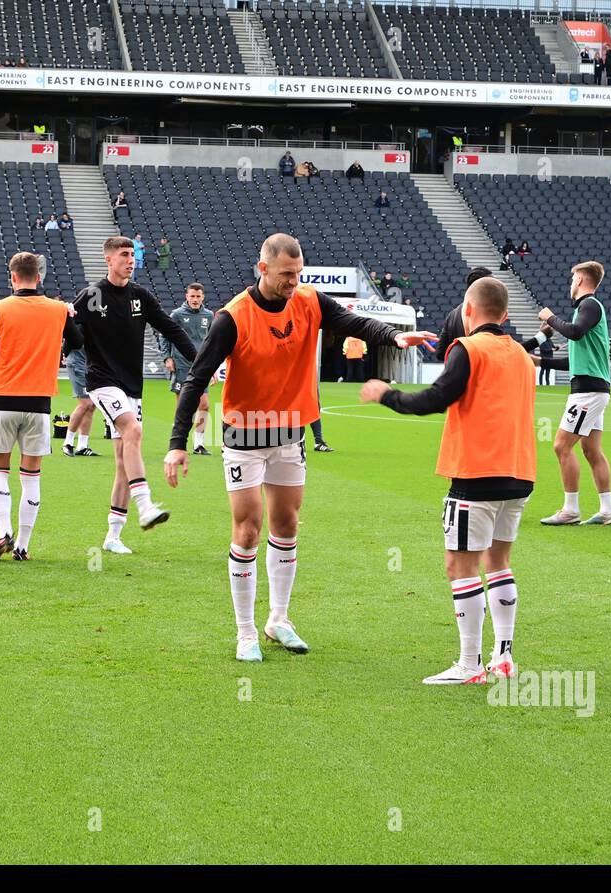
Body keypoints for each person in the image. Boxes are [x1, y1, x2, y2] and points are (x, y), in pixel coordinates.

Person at [163, 233, 437, 662]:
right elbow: (197, 378)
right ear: (263, 269)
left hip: (290, 435)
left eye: (299, 273)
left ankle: (278, 619)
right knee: (248, 528)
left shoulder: (309, 299)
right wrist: (177, 444)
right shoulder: (232, 317)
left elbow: (353, 321)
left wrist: (393, 337)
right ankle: (245, 631)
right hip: (245, 436)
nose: (294, 281)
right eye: (287, 274)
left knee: (287, 524)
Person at [360, 277, 535, 685]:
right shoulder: (523, 356)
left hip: (476, 473)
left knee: (460, 565)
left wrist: (388, 395)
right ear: (506, 314)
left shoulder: (468, 349)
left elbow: (436, 398)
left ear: (468, 311)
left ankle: (470, 664)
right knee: (499, 562)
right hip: (520, 473)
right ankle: (503, 656)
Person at [73, 236, 197, 553]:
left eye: (133, 255)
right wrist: (65, 321)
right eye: (124, 254)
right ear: (109, 259)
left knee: (122, 461)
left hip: (132, 386)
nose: (131, 260)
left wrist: (198, 359)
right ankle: (145, 506)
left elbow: (170, 328)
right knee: (134, 429)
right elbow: (71, 340)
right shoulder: (91, 296)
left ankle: (113, 537)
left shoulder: (141, 296)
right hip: (101, 380)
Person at [0, 252, 82, 560]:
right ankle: (24, 546)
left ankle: (4, 532)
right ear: (38, 277)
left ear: (13, 277)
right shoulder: (57, 310)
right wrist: (66, 323)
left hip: (3, 401)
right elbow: (79, 342)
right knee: (31, 476)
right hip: (39, 403)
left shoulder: (0, 309)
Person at [534, 261, 611, 527]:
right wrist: (540, 362)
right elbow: (574, 362)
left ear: (580, 279)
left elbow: (575, 332)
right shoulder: (589, 310)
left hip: (588, 392)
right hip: (594, 388)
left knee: (561, 446)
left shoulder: (589, 305)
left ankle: (570, 510)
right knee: (592, 450)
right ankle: (607, 511)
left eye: (572, 280)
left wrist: (550, 317)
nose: (571, 285)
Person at [159, 282, 215, 454]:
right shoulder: (177, 314)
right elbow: (164, 334)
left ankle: (198, 444)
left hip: (201, 365)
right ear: (187, 296)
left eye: (198, 296)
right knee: (183, 406)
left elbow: (212, 341)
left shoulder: (209, 315)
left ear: (203, 297)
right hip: (181, 364)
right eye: (192, 296)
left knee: (204, 405)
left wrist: (212, 366)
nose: (195, 299)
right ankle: (178, 441)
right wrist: (167, 357)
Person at [61, 345, 99, 458]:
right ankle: (67, 443)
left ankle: (82, 446)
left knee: (91, 406)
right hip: (78, 364)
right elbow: (72, 334)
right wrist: (65, 351)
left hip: (89, 364)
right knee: (85, 403)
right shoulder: (81, 326)